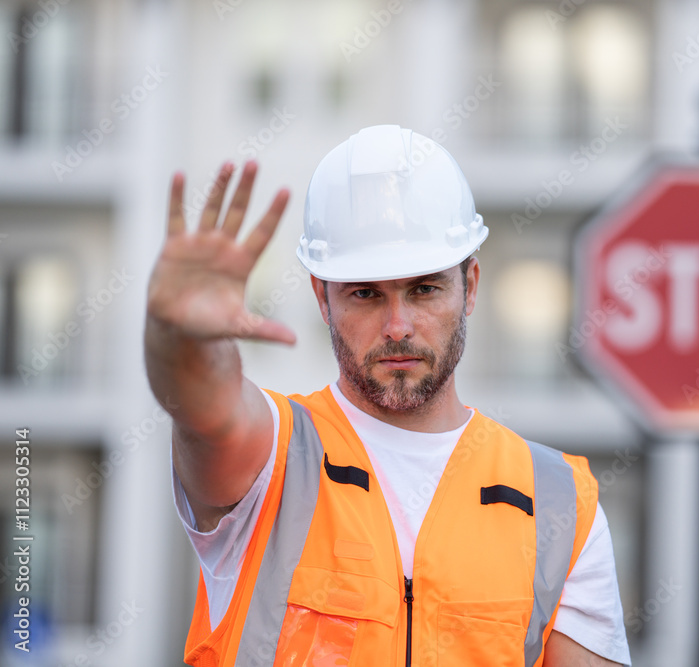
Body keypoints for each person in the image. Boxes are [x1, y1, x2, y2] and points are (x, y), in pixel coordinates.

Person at [145, 125, 631, 666]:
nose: (398, 325)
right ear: (322, 298)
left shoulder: (560, 502)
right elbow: (205, 410)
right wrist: (179, 340)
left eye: (424, 288)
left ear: (470, 286)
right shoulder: (273, 457)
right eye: (366, 293)